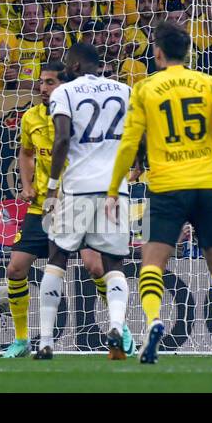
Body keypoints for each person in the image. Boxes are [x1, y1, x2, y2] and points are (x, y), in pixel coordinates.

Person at [108, 22, 212, 365]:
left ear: (158, 52)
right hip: (210, 185)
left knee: (152, 263)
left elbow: (128, 143)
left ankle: (153, 322)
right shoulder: (208, 83)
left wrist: (113, 188)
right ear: (189, 52)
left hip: (167, 187)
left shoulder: (146, 88)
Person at [35, 42, 134, 360]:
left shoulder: (65, 92)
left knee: (58, 257)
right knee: (114, 263)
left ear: (75, 66)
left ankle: (46, 340)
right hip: (115, 189)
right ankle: (116, 326)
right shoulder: (124, 90)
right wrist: (140, 164)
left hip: (77, 188)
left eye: (67, 64)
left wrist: (52, 186)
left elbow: (62, 138)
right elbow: (138, 133)